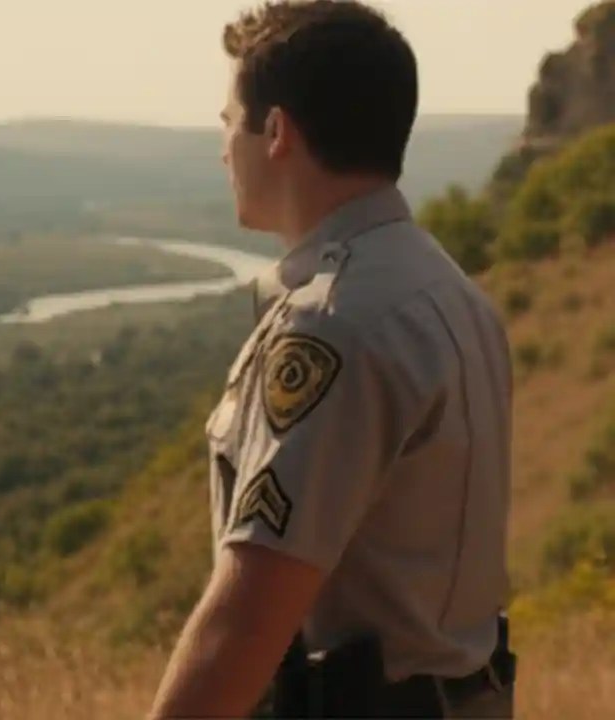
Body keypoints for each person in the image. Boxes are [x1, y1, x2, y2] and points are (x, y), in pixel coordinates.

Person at [146, 1, 516, 717]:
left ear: (277, 132)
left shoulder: (336, 323)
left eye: (229, 124)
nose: (224, 149)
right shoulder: (449, 289)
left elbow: (247, 617)